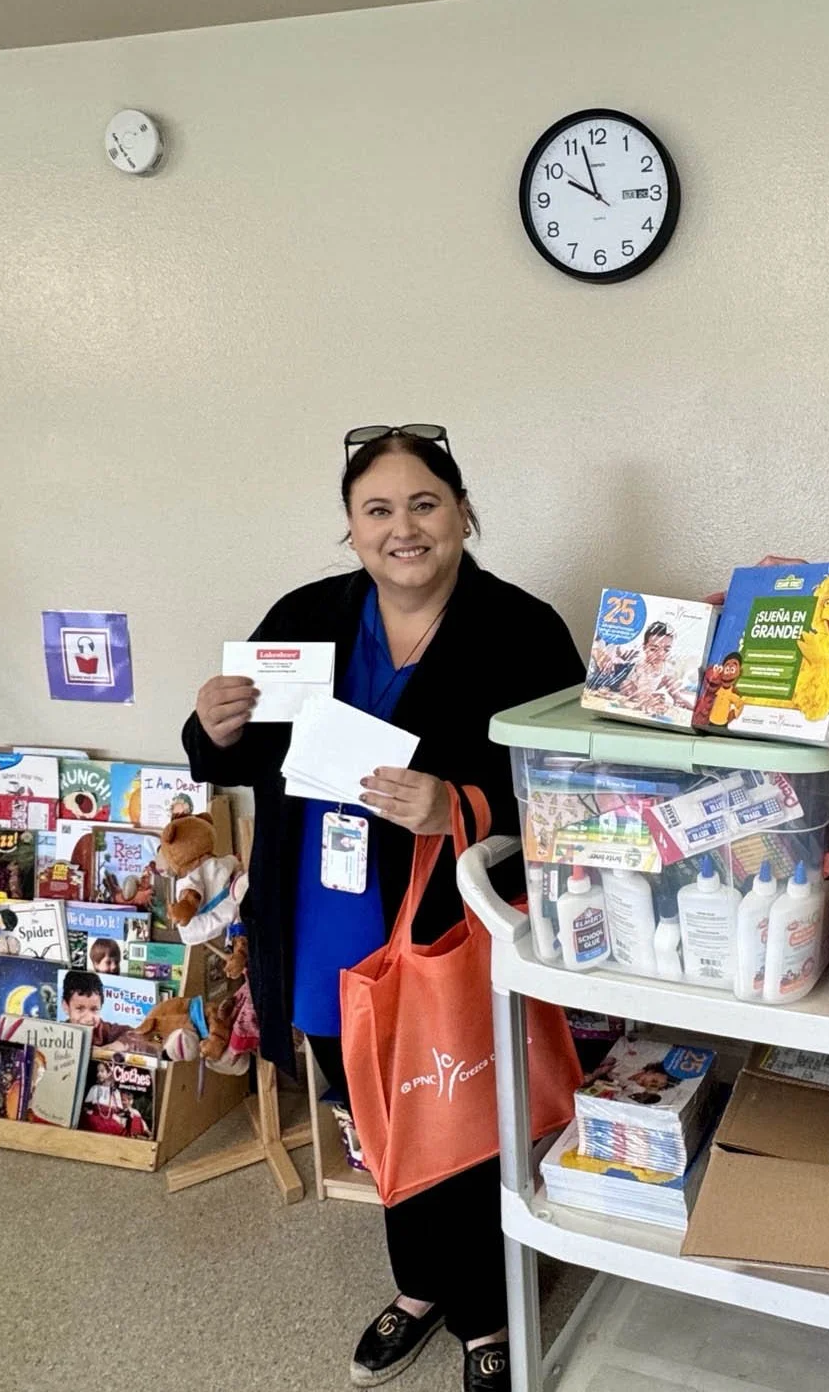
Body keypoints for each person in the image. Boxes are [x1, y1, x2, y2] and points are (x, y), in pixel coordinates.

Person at [184, 425, 582, 1392]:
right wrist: (210, 724)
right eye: (378, 511)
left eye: (424, 505)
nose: (403, 529)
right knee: (366, 1109)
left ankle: (485, 1310)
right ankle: (418, 1285)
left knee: (462, 1105)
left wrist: (462, 806)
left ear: (461, 513)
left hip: (448, 922)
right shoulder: (307, 616)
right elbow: (238, 757)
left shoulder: (523, 631)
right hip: (319, 911)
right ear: (352, 531)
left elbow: (575, 792)